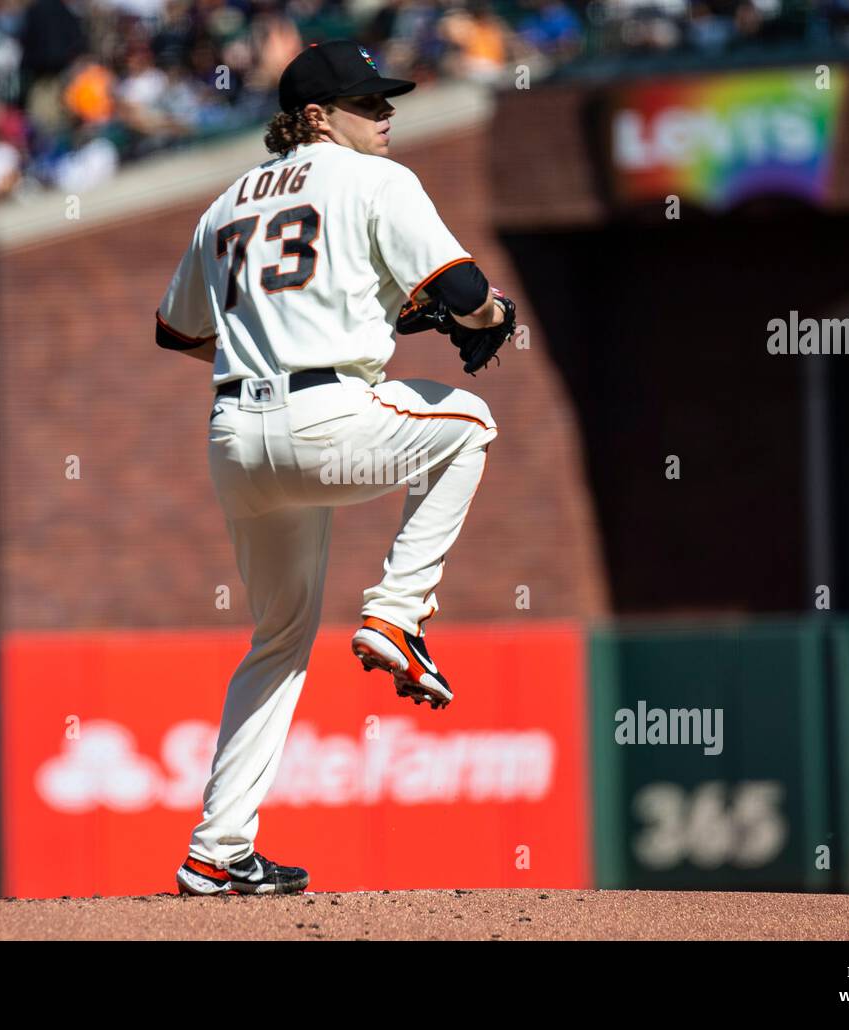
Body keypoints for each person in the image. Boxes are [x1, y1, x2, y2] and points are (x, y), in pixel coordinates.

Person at [155, 40, 516, 897]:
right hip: (327, 419)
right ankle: (395, 616)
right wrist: (493, 312)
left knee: (276, 643)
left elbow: (174, 332)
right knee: (469, 423)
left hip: (236, 438)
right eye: (368, 103)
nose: (385, 114)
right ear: (316, 117)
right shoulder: (376, 181)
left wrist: (276, 338)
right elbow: (466, 293)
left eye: (385, 101)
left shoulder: (224, 202)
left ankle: (216, 848)